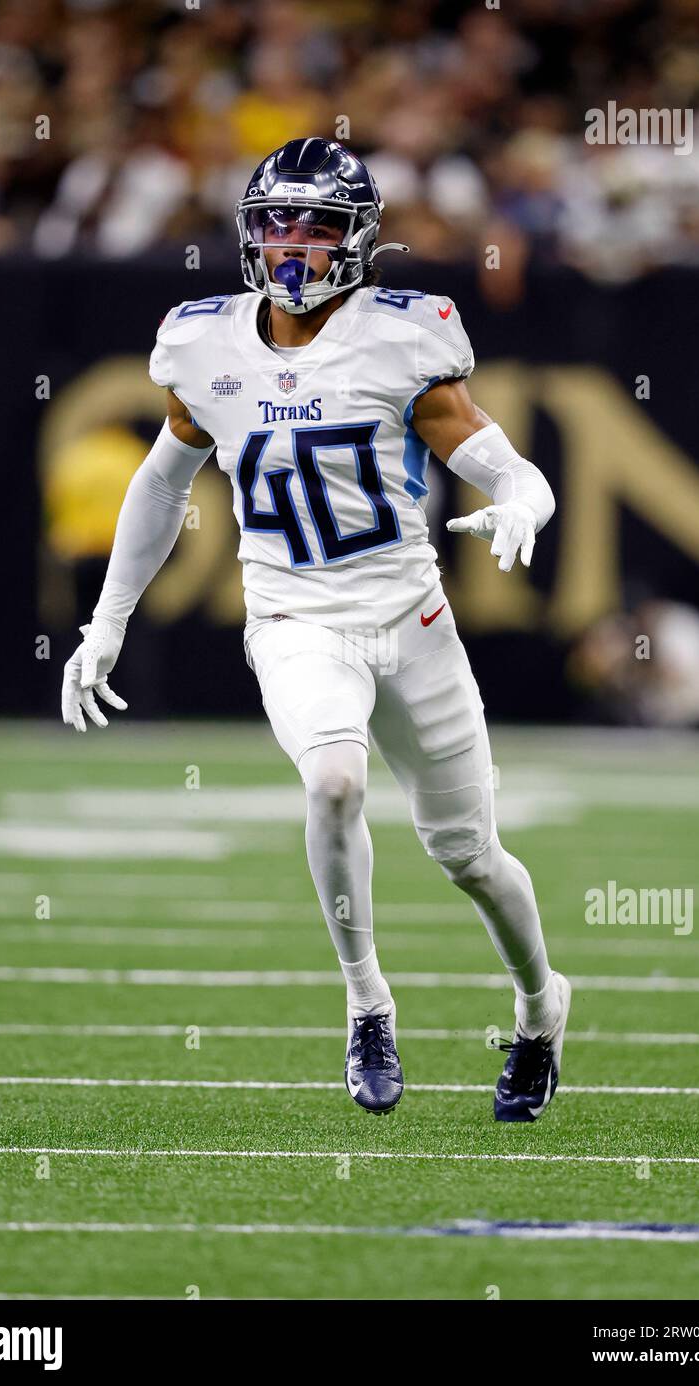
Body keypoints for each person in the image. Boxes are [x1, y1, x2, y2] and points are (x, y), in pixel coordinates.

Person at [61, 137, 571, 1122]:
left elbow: (509, 466)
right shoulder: (204, 342)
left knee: (468, 856)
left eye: (316, 225)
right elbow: (163, 478)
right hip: (294, 619)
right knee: (333, 779)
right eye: (276, 224)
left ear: (359, 239)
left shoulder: (401, 338)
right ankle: (366, 1001)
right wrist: (106, 620)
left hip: (410, 621)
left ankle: (540, 1006)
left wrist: (524, 503)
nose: (292, 245)